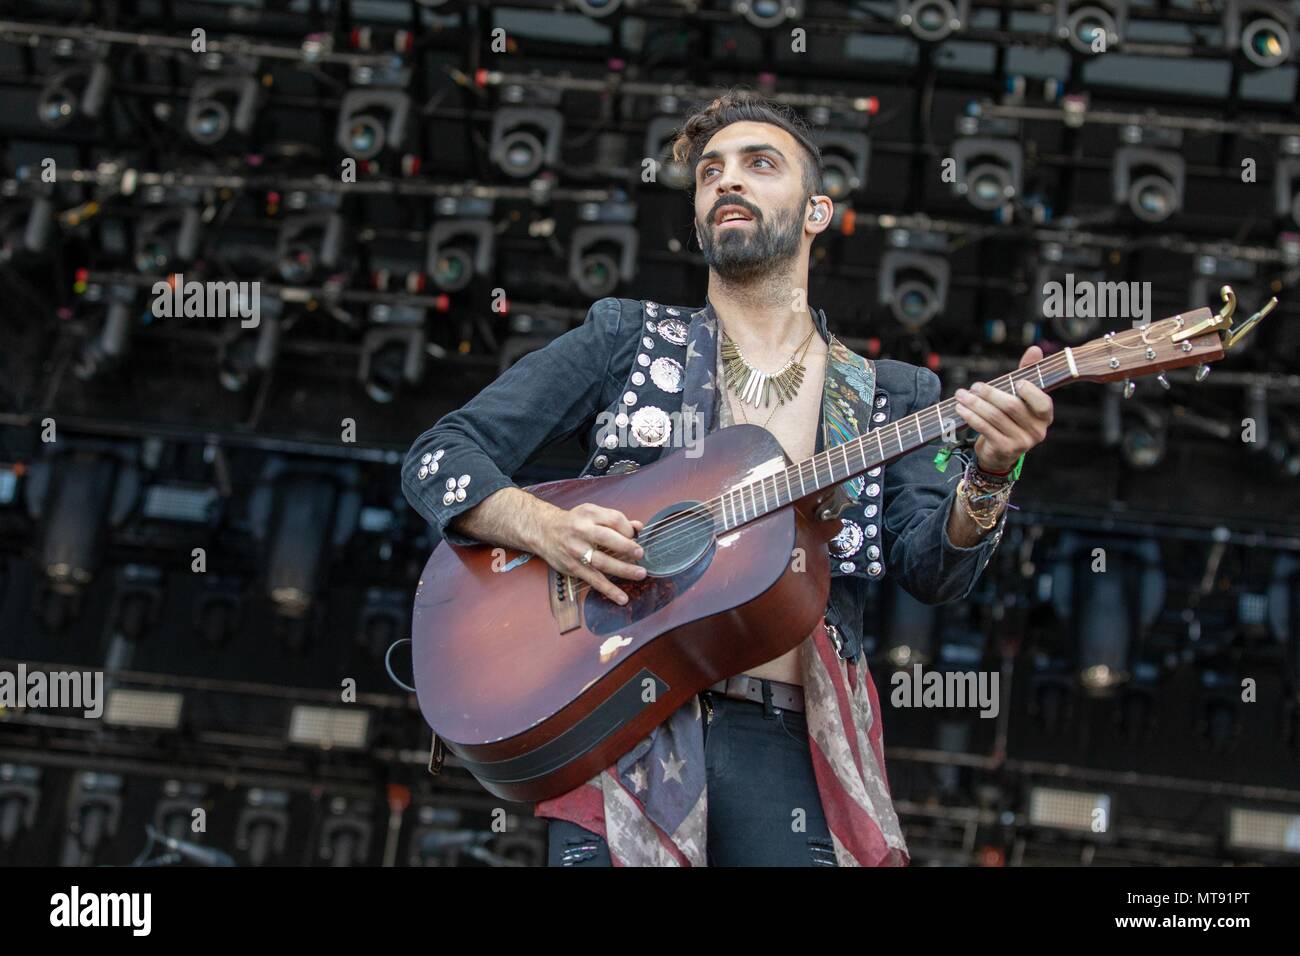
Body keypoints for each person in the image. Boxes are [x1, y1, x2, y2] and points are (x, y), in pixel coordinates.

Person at [401, 88, 1054, 867]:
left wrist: (989, 473)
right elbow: (441, 455)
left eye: (758, 164)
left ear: (816, 212)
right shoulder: (628, 336)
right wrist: (546, 527)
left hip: (787, 739)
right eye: (710, 172)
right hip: (622, 726)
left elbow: (930, 569)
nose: (727, 182)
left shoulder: (893, 395)